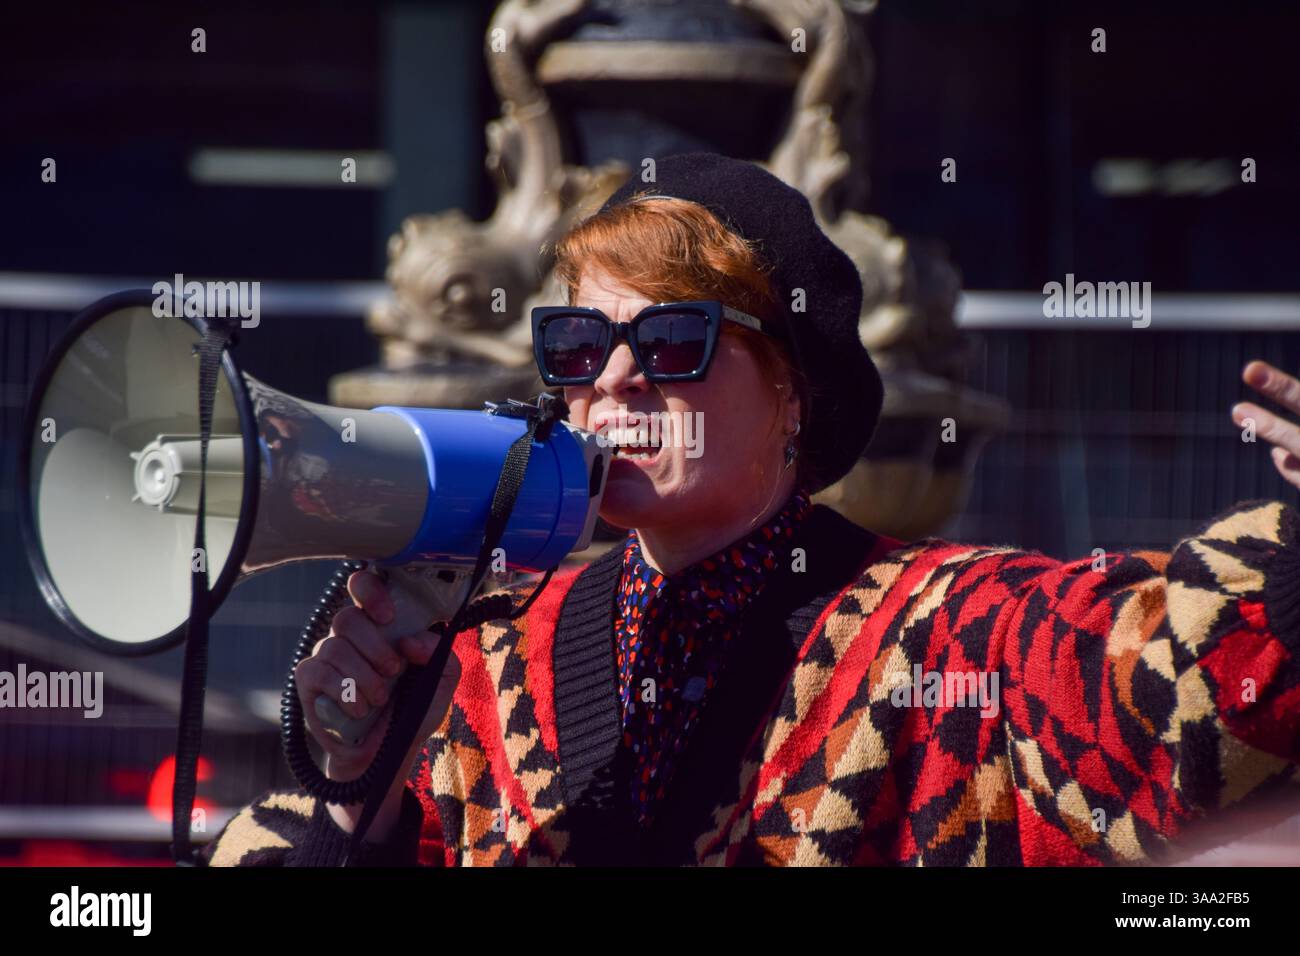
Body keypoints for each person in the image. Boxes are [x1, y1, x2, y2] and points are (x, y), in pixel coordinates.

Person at [204, 152, 1300, 867]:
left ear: (792, 391)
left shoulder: (940, 629)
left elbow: (1183, 710)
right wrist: (355, 800)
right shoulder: (488, 658)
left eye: (673, 341)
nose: (615, 382)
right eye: (577, 347)